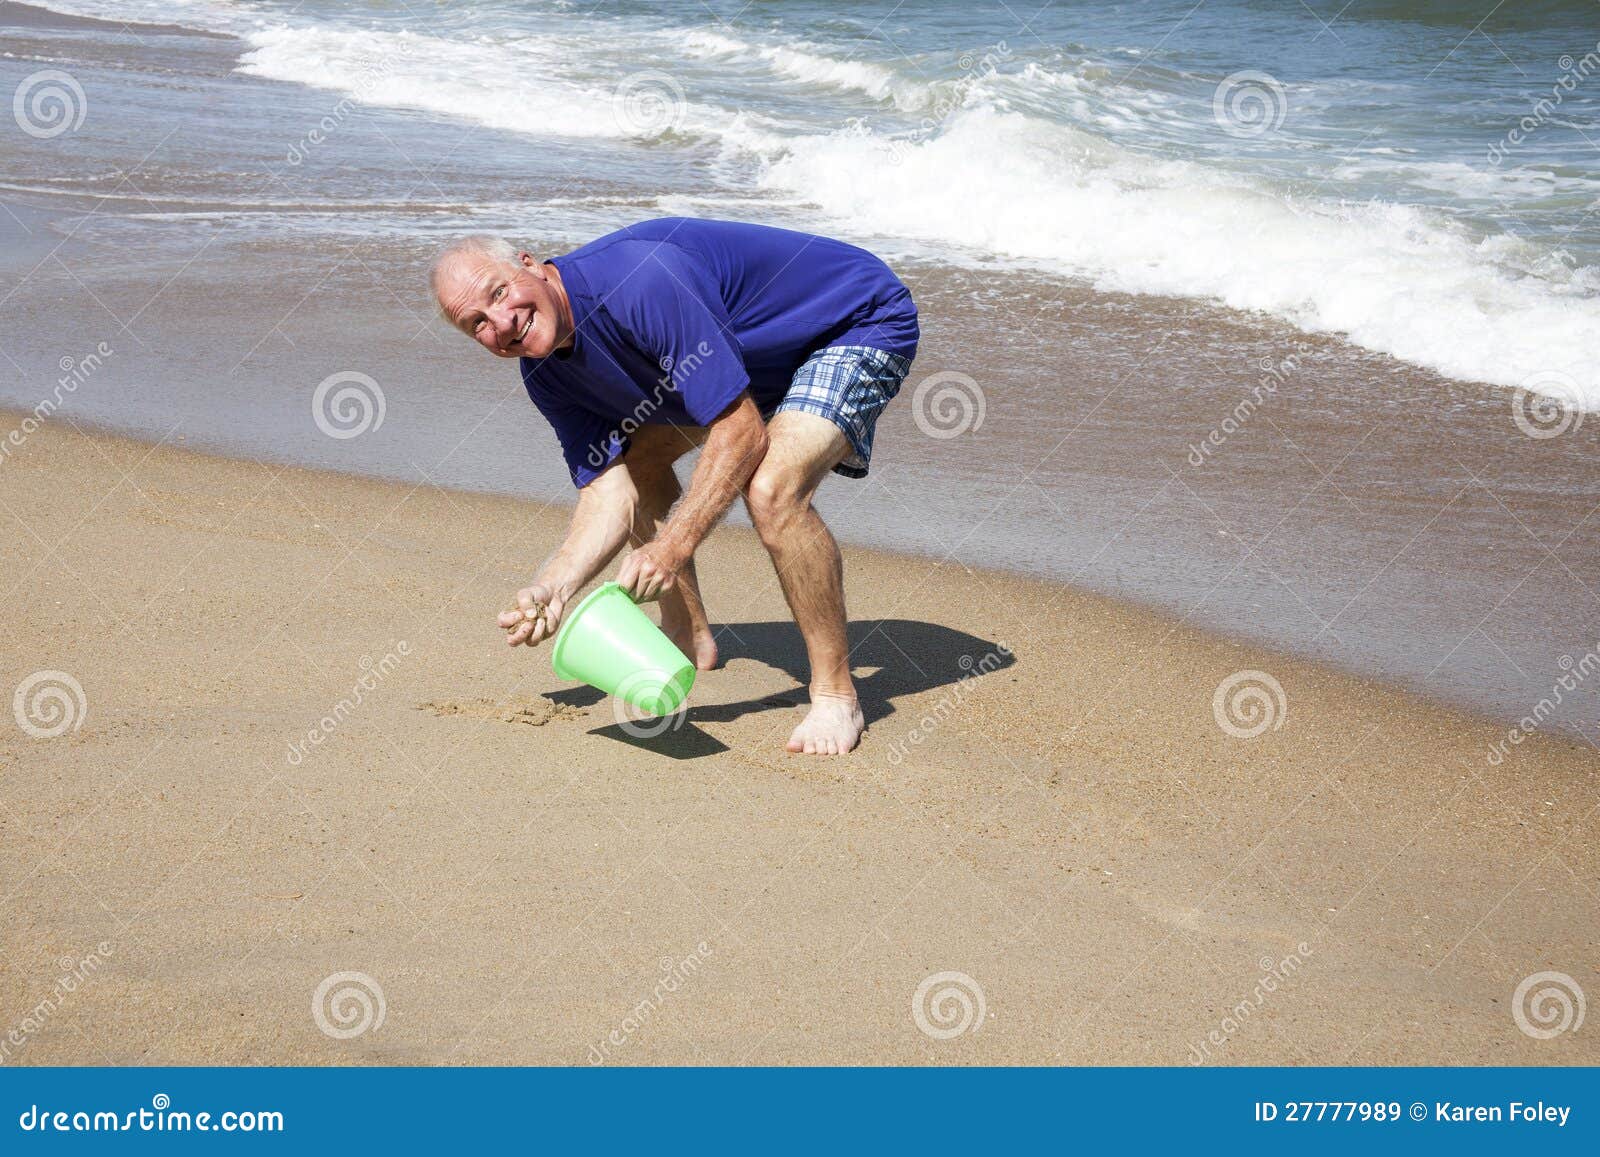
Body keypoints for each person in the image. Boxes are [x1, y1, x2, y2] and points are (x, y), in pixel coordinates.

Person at [430, 218, 918, 754]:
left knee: (771, 489)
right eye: (476, 324)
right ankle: (687, 636)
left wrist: (673, 543)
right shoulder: (545, 373)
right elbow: (608, 490)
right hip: (744, 360)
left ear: (528, 263)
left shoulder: (639, 280)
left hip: (847, 322)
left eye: (498, 293)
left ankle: (835, 695)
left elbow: (741, 431)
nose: (501, 322)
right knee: (638, 468)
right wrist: (557, 586)